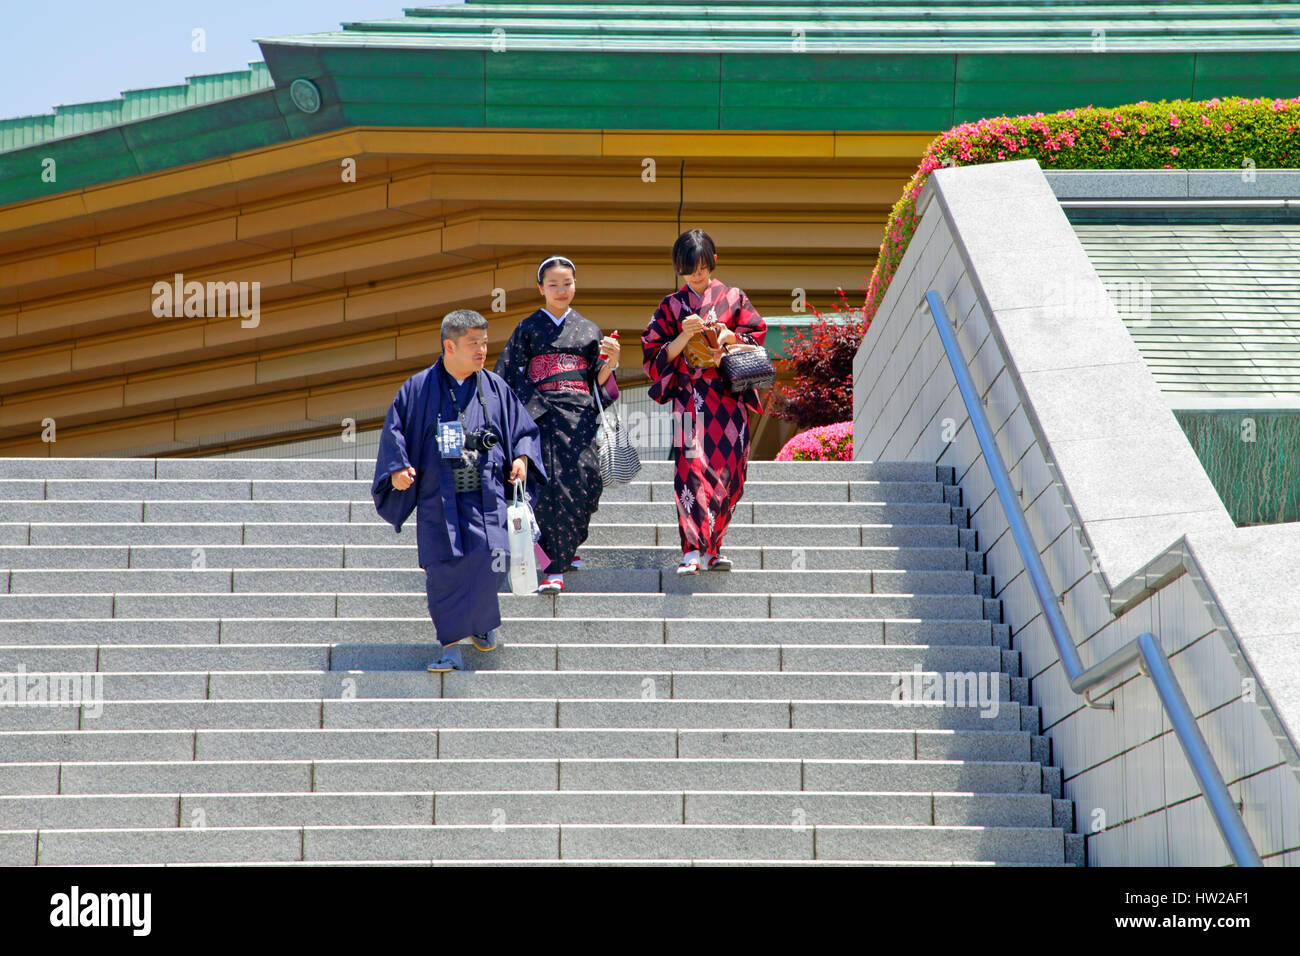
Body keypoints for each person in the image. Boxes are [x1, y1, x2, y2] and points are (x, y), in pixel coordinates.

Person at [371, 309, 547, 672]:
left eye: (485, 343)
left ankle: (481, 622)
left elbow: (523, 431)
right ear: (449, 346)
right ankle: (450, 647)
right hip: (439, 495)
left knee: (493, 556)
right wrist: (398, 471)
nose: (483, 350)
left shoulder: (495, 386)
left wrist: (522, 460)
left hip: (487, 490)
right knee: (444, 569)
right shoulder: (417, 388)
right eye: (474, 344)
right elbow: (395, 433)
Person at [641, 229, 767, 576]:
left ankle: (713, 548)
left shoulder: (734, 297)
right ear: (679, 269)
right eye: (689, 268)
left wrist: (726, 338)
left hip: (727, 398)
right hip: (687, 399)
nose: (697, 274)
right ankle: (692, 550)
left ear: (714, 260)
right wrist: (684, 334)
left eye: (703, 266)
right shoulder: (671, 306)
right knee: (689, 470)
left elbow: (756, 338)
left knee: (730, 474)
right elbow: (653, 357)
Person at [494, 255, 621, 595]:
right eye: (554, 284)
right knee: (549, 492)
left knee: (585, 483)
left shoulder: (589, 329)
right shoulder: (528, 328)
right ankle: (553, 566)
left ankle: (568, 547)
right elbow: (508, 375)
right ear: (541, 289)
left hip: (579, 418)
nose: (561, 290)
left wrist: (611, 362)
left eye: (567, 283)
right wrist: (535, 407)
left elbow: (599, 383)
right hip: (541, 420)